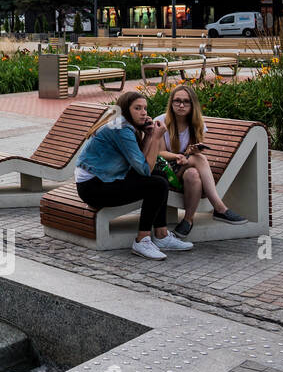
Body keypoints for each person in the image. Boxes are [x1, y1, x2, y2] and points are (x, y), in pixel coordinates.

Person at [73, 90, 189, 260]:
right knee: (157, 184)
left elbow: (140, 161)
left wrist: (149, 135)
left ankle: (162, 235)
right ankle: (142, 240)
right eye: (137, 108)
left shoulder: (123, 125)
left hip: (104, 180)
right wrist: (157, 138)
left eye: (145, 108)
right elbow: (144, 170)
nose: (143, 113)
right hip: (93, 188)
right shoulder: (121, 129)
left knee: (160, 176)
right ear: (126, 110)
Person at [147, 86, 247, 237]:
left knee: (193, 174)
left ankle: (188, 220)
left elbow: (192, 152)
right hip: (163, 170)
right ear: (171, 103)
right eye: (177, 101)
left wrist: (190, 152)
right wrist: (178, 156)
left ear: (192, 104)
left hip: (184, 167)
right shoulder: (160, 121)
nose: (181, 105)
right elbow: (159, 153)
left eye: (186, 102)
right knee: (199, 159)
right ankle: (219, 208)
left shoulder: (197, 123)